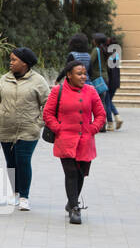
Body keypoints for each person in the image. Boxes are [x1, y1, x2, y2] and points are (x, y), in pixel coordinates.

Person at [0, 47, 49, 211]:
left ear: (24, 63)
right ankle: (15, 193)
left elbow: (48, 104)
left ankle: (24, 196)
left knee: (23, 161)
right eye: (11, 59)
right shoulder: (4, 79)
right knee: (11, 162)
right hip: (5, 128)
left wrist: (38, 123)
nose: (11, 62)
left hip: (28, 130)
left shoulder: (38, 81)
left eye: (14, 60)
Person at [45, 60, 105, 225]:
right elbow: (48, 113)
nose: (83, 77)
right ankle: (74, 208)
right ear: (69, 75)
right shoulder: (58, 91)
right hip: (65, 140)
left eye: (84, 73)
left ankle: (72, 201)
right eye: (79, 74)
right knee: (71, 173)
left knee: (80, 174)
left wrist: (93, 129)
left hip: (85, 140)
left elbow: (101, 114)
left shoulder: (91, 91)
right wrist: (58, 129)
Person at [104, 38, 123, 130]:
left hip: (109, 82)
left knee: (107, 102)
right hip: (116, 82)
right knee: (109, 101)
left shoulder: (108, 57)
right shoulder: (117, 56)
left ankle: (110, 123)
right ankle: (117, 117)